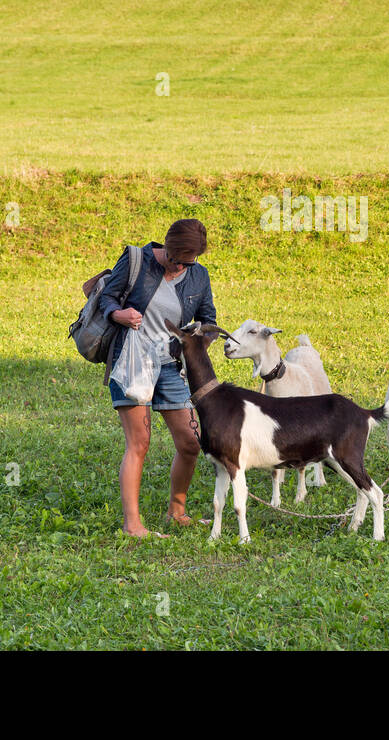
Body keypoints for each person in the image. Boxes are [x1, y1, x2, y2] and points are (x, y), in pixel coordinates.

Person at [97, 218, 216, 537]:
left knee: (191, 443)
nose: (180, 269)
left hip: (170, 364)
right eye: (176, 261)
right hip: (132, 360)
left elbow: (208, 318)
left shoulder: (198, 275)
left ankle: (176, 512)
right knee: (140, 441)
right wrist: (118, 314)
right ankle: (132, 525)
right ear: (167, 248)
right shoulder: (137, 260)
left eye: (187, 264)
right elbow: (107, 297)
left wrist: (200, 334)